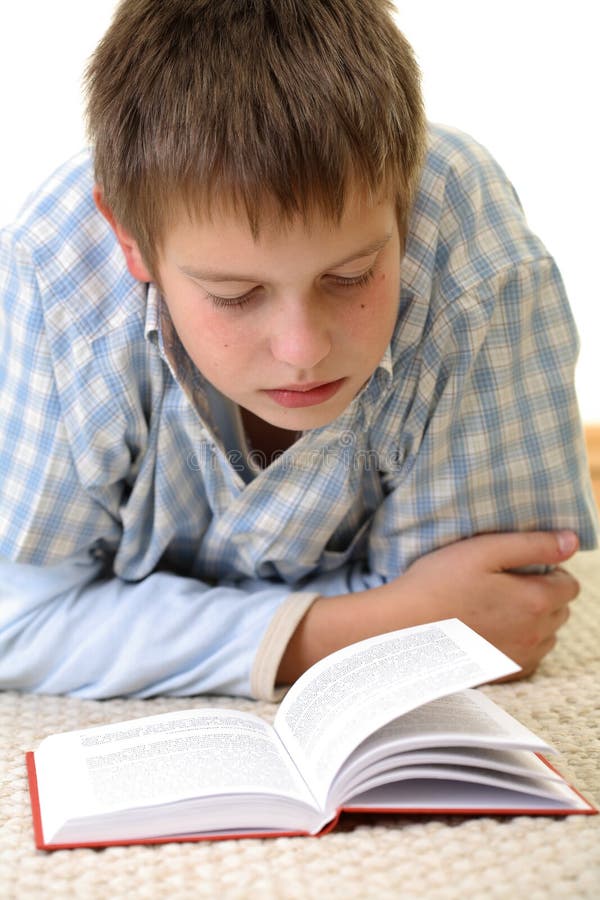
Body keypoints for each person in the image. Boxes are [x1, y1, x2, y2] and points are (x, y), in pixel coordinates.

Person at [0, 0, 596, 701]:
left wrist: (137, 623)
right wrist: (364, 623)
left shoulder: (473, 246)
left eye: (351, 277)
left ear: (405, 207)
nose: (302, 350)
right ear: (131, 241)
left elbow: (496, 628)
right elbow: (20, 621)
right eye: (233, 294)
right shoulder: (56, 272)